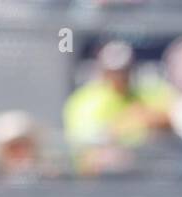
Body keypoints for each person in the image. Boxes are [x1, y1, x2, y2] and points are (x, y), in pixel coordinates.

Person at [63, 40, 173, 172]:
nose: (120, 76)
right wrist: (126, 124)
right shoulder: (84, 101)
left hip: (141, 173)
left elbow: (169, 118)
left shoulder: (144, 93)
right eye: (115, 71)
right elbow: (87, 147)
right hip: (102, 178)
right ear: (103, 70)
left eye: (124, 70)